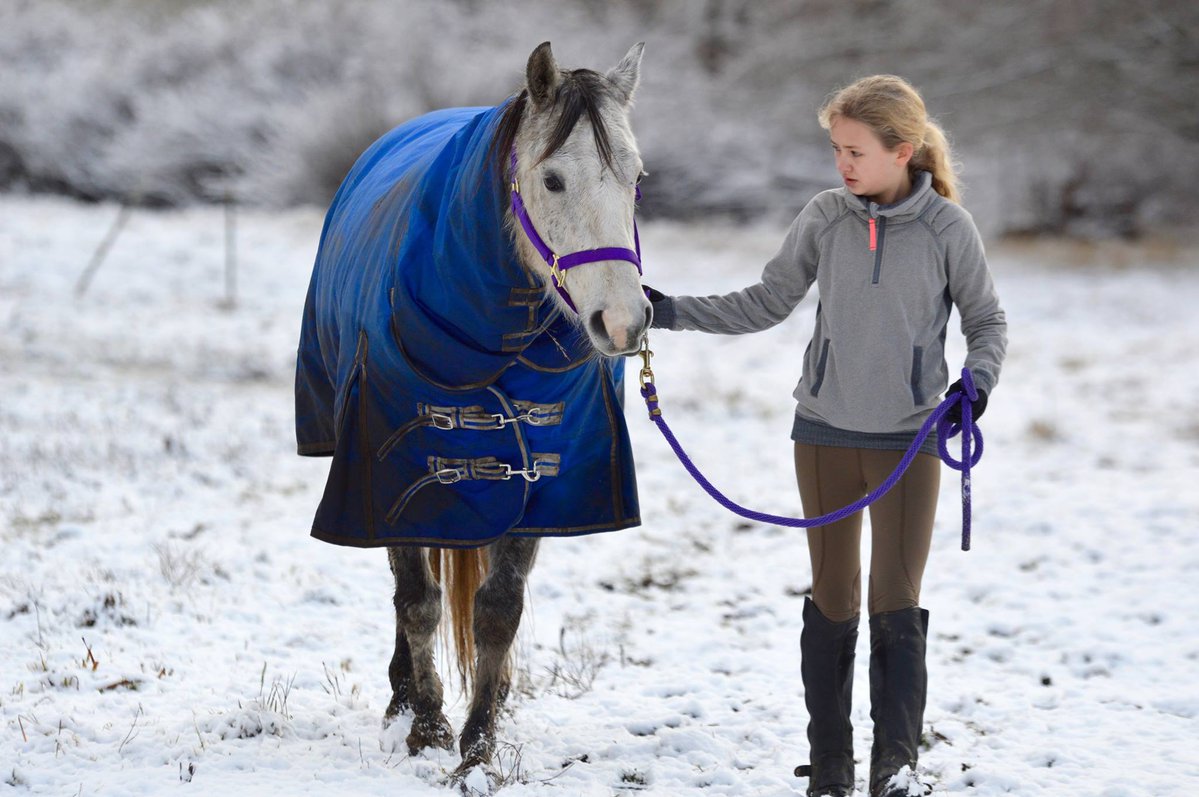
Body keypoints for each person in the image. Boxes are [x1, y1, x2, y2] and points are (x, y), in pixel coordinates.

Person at [645, 75, 1007, 797]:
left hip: (907, 440)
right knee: (833, 596)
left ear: (901, 151)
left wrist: (978, 381)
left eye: (853, 150)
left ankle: (894, 765)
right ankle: (833, 766)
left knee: (893, 596)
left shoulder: (945, 230)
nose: (840, 163)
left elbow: (986, 321)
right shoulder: (824, 217)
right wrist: (668, 311)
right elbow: (767, 300)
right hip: (821, 433)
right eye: (835, 149)